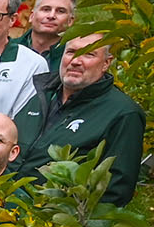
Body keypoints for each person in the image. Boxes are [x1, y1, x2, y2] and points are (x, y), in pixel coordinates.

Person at [14, 33, 147, 208]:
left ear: (106, 63)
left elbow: (116, 191)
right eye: (71, 52)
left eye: (88, 54)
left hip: (54, 225)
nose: (76, 61)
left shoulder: (123, 113)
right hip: (5, 215)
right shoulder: (40, 97)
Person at [17, 0, 75, 74]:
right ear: (31, 16)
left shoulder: (73, 59)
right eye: (46, 9)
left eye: (60, 11)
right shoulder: (5, 49)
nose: (51, 16)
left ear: (70, 21)